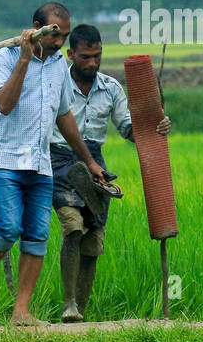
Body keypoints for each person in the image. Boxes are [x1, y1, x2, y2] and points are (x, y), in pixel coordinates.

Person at [0, 3, 105, 326]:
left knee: (37, 235)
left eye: (65, 36)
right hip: (3, 157)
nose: (60, 43)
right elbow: (3, 104)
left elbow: (64, 116)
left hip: (39, 161)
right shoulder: (4, 59)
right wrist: (25, 60)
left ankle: (21, 313)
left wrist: (88, 161)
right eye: (55, 34)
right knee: (7, 228)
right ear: (36, 27)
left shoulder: (59, 65)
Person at [52, 23, 172, 322]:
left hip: (95, 162)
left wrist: (155, 127)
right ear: (70, 55)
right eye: (85, 57)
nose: (92, 63)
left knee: (93, 238)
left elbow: (129, 129)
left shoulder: (111, 88)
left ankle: (81, 309)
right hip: (61, 160)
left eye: (97, 56)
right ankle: (68, 303)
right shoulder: (56, 84)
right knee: (72, 227)